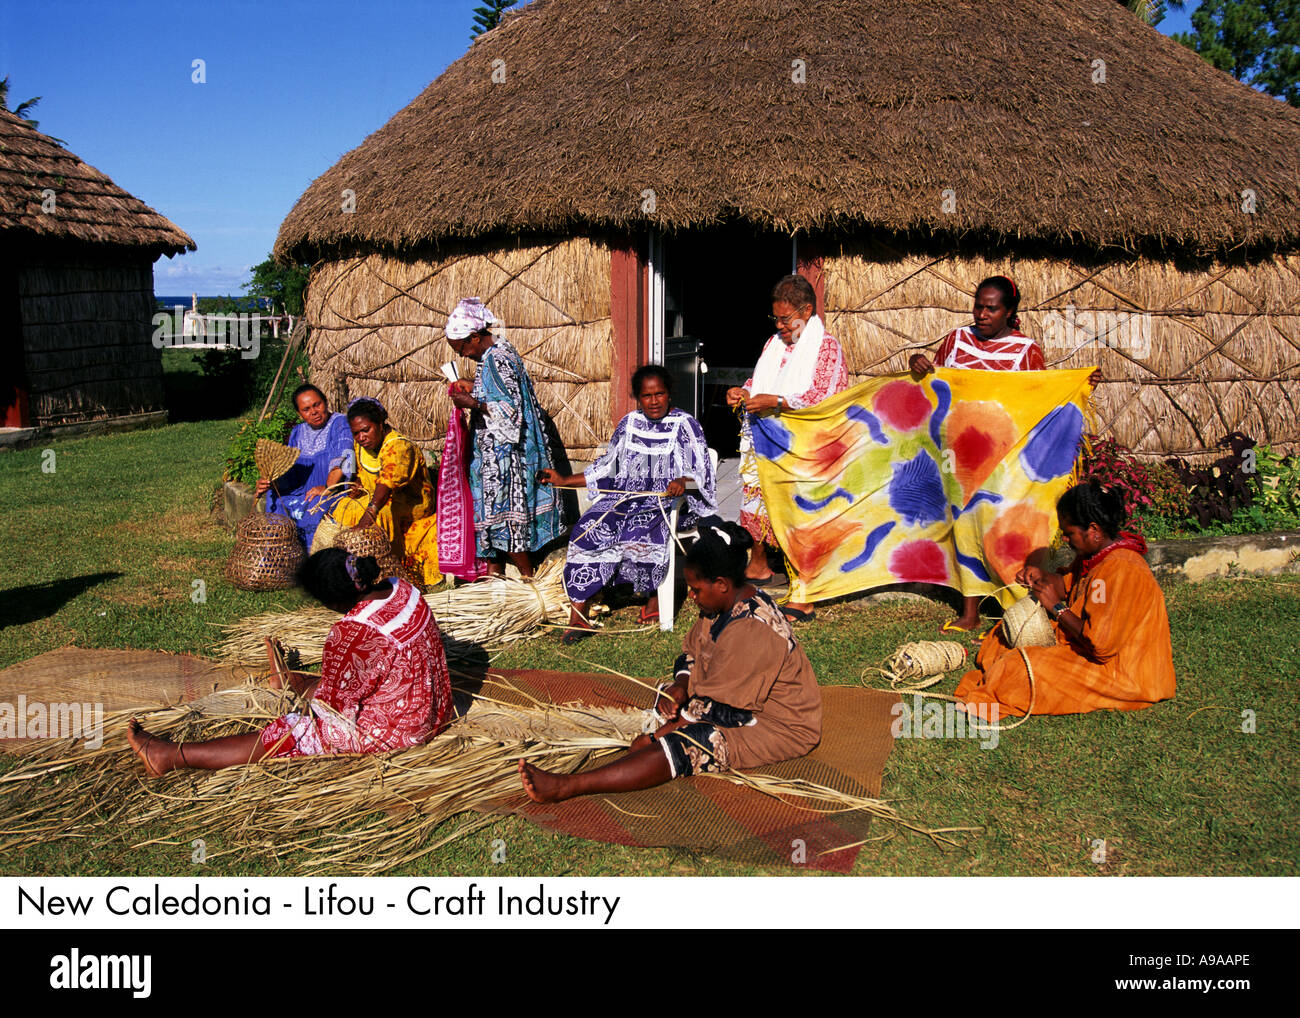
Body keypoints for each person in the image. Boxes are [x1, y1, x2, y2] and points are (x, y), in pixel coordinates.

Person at [519, 518, 822, 803]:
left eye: (696, 589)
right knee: (669, 706)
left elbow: (726, 710)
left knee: (693, 742)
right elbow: (691, 653)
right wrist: (681, 684)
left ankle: (569, 786)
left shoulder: (752, 629)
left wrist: (656, 737)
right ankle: (647, 749)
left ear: (721, 584)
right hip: (724, 699)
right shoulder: (719, 606)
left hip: (774, 724)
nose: (691, 596)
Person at [127, 549, 453, 774]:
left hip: (402, 732)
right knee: (337, 683)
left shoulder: (353, 632)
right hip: (434, 707)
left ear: (335, 599)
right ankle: (287, 683)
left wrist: (306, 711)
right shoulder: (403, 588)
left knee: (296, 729)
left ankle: (170, 756)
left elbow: (333, 712)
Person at [908, 274, 1100, 632]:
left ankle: (1021, 600)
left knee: (1003, 527)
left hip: (1005, 456)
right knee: (964, 527)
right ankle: (970, 611)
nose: (981, 314)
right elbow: (935, 384)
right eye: (978, 306)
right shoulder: (956, 341)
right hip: (960, 453)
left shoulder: (1025, 351)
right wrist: (919, 364)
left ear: (1010, 312)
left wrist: (1075, 387)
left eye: (991, 308)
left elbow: (1038, 399)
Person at [953, 483, 1175, 718]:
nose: (1067, 540)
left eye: (1070, 533)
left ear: (1093, 530)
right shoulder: (1097, 555)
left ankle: (995, 688)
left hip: (1124, 673)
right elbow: (1068, 585)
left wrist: (1056, 607)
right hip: (1089, 648)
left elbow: (1099, 647)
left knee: (1021, 667)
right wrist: (1041, 577)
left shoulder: (1121, 569)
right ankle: (997, 677)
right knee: (1002, 634)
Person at [540, 365, 716, 641]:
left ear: (669, 394)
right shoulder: (629, 423)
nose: (655, 401)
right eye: (647, 395)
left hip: (665, 502)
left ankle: (654, 599)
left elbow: (701, 470)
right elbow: (606, 467)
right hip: (625, 497)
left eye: (660, 394)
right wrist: (564, 478)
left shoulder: (685, 425)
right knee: (588, 528)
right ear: (638, 397)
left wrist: (682, 480)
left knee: (638, 530)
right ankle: (579, 614)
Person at [725, 273, 849, 623]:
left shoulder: (826, 348)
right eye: (775, 318)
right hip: (769, 440)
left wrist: (776, 401)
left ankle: (805, 594)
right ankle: (760, 565)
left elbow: (823, 397)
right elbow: (760, 381)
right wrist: (744, 393)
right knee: (761, 496)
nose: (779, 325)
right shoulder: (774, 344)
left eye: (785, 318)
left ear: (806, 311)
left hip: (805, 446)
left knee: (799, 513)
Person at [445, 297, 565, 578]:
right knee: (491, 518)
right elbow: (500, 392)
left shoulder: (497, 359)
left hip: (507, 457)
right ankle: (493, 577)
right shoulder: (498, 352)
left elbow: (510, 411)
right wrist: (474, 388)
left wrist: (472, 403)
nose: (462, 354)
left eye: (461, 347)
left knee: (506, 517)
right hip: (494, 454)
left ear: (475, 336)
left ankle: (527, 578)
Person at [331, 397, 441, 586]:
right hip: (381, 499)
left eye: (366, 430)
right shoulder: (361, 446)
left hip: (408, 508)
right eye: (356, 433)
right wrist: (356, 484)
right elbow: (364, 474)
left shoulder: (399, 446)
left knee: (382, 512)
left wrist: (370, 513)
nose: (361, 437)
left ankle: (388, 566)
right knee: (346, 506)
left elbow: (387, 482)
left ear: (381, 424)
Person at [257, 384, 353, 548]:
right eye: (306, 409)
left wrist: (327, 488)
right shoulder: (298, 431)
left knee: (313, 507)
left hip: (334, 489)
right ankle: (281, 556)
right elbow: (291, 470)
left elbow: (343, 458)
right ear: (299, 413)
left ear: (325, 402)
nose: (314, 412)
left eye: (317, 404)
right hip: (302, 490)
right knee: (276, 497)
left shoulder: (340, 423)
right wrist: (272, 482)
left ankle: (310, 561)